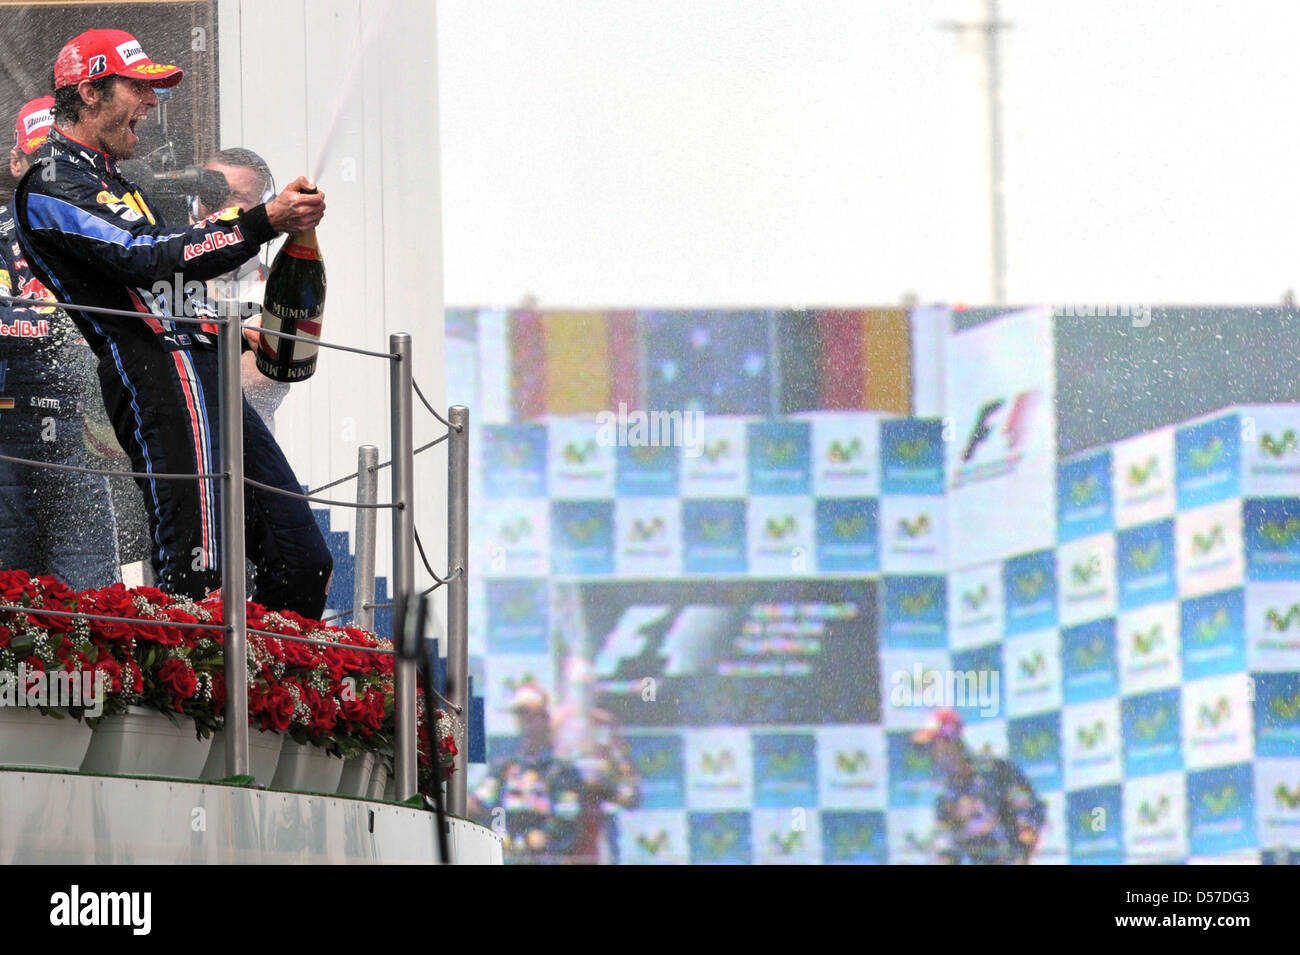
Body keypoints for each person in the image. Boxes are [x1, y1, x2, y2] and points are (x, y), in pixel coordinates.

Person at [12, 28, 333, 618]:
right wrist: (264, 219)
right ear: (89, 92)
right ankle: (197, 701)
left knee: (302, 557)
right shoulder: (50, 182)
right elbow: (145, 257)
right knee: (199, 567)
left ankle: (273, 692)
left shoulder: (117, 181)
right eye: (140, 88)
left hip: (205, 367)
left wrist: (236, 328)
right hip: (157, 374)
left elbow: (172, 278)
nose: (152, 103)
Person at [0, 95, 121, 590]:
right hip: (8, 433)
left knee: (93, 598)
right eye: (39, 163)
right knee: (10, 599)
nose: (51, 177)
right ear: (16, 164)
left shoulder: (113, 231)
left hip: (86, 436)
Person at [193, 147, 289, 435]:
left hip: (243, 466)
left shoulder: (277, 290)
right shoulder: (158, 261)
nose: (222, 205)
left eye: (237, 197)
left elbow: (260, 380)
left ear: (265, 207)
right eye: (210, 191)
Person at [468, 682, 593, 864]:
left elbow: (567, 816)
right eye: (519, 716)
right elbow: (481, 801)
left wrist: (544, 836)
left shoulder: (562, 770)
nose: (523, 722)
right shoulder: (504, 767)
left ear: (545, 719)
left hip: (546, 856)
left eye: (530, 716)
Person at [913, 708, 1045, 865]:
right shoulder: (944, 796)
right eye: (930, 750)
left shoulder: (996, 772)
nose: (934, 755)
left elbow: (1028, 810)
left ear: (952, 742)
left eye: (935, 746)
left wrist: (1025, 838)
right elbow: (946, 844)